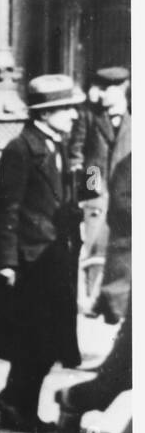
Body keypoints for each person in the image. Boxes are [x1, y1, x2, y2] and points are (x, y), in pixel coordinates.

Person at [0, 74, 85, 433]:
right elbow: (4, 210)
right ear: (44, 114)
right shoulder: (20, 149)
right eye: (65, 109)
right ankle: (19, 407)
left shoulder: (59, 146)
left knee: (47, 341)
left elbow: (78, 190)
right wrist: (5, 261)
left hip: (55, 258)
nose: (73, 116)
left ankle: (14, 400)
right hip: (32, 260)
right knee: (35, 340)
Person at [69, 66, 130, 315]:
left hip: (124, 195)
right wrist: (92, 189)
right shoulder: (89, 116)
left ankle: (113, 302)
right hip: (97, 192)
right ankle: (90, 299)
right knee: (92, 245)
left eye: (108, 89)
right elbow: (77, 153)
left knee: (118, 249)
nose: (102, 94)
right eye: (101, 88)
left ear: (123, 89)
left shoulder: (134, 119)